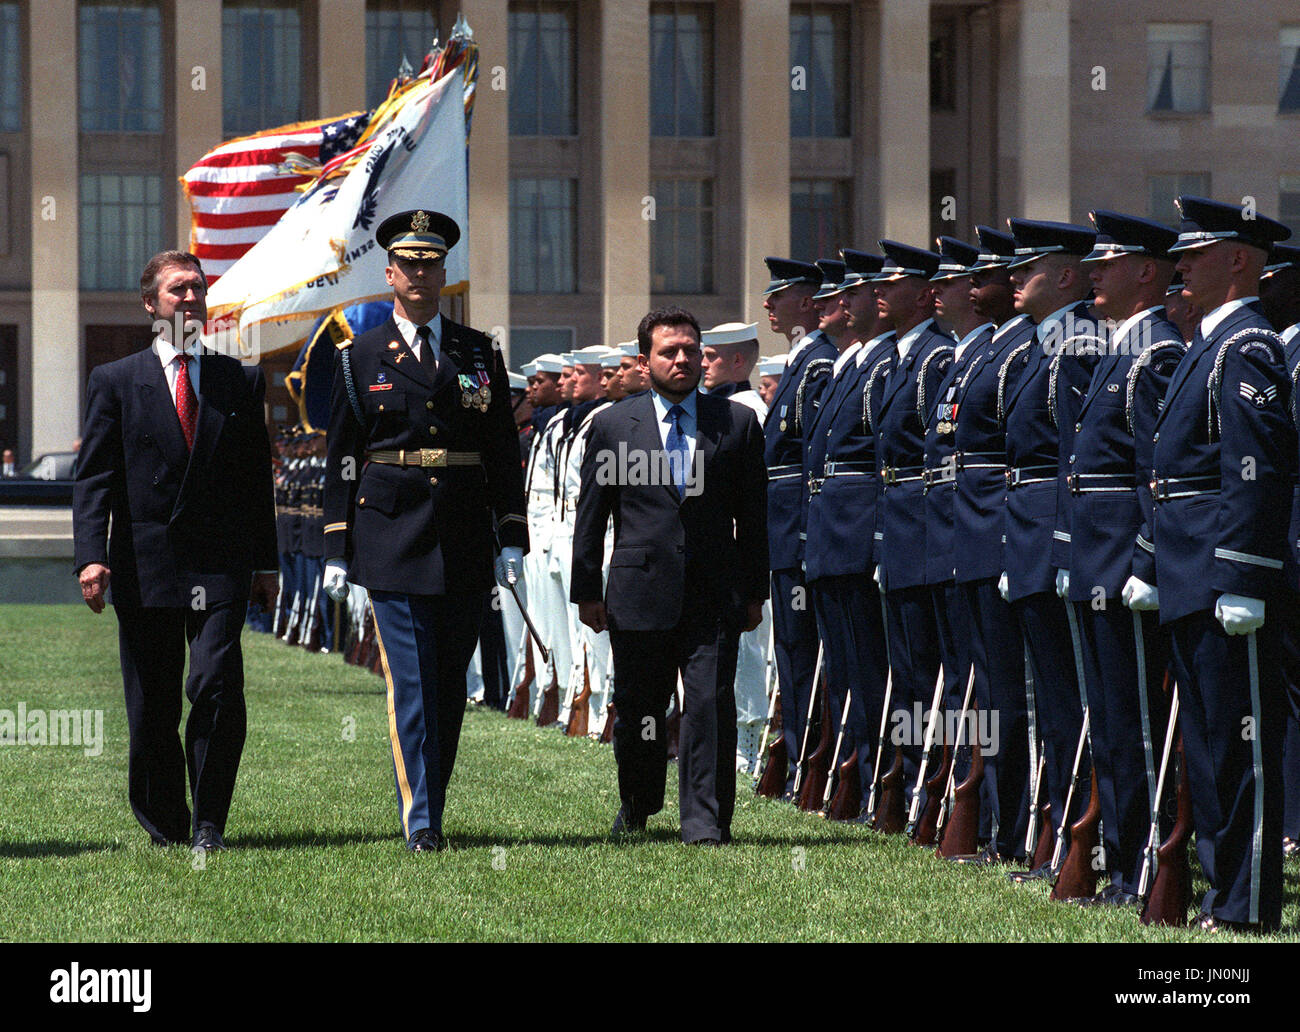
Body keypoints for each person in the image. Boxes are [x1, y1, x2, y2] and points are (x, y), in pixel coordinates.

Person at [322, 209, 528, 852]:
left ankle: (431, 803)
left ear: (444, 272)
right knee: (410, 682)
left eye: (430, 263)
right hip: (392, 534)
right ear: (389, 274)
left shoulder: (477, 351)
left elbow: (500, 449)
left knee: (447, 685)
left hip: (464, 532)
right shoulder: (360, 356)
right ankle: (421, 823)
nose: (419, 273)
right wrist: (337, 546)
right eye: (408, 264)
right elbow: (343, 458)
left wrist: (512, 534)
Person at [73, 249, 278, 851]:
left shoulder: (237, 379)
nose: (190, 299)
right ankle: (165, 822)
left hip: (219, 564)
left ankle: (209, 822)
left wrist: (266, 564)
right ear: (150, 305)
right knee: (153, 705)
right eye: (177, 291)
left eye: (197, 289)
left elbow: (252, 481)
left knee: (215, 686)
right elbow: (94, 478)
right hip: (146, 563)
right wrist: (92, 555)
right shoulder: (114, 381)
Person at [572, 307, 768, 844]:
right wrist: (586, 589)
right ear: (644, 360)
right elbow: (592, 513)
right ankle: (637, 804)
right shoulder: (613, 424)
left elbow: (753, 518)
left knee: (708, 705)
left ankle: (704, 820)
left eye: (690, 349)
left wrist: (756, 592)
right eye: (668, 351)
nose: (681, 359)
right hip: (638, 592)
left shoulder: (736, 423)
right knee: (640, 708)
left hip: (714, 593)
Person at [1154, 195, 1294, 932]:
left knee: (1241, 749)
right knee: (1209, 751)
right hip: (1187, 566)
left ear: (1237, 260)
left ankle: (1248, 904)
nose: (1179, 264)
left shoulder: (1247, 347)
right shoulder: (1210, 344)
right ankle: (1223, 893)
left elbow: (1256, 470)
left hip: (1219, 570)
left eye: (1195, 252)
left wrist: (1242, 574)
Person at [1070, 211, 1184, 906]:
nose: (1092, 277)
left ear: (1145, 272)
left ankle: (1148, 863)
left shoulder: (1156, 354)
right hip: (1094, 557)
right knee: (1110, 722)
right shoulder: (1121, 349)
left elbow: (1157, 475)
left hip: (1125, 563)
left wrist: (1144, 560)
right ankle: (1118, 861)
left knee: (1139, 725)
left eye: (1106, 266)